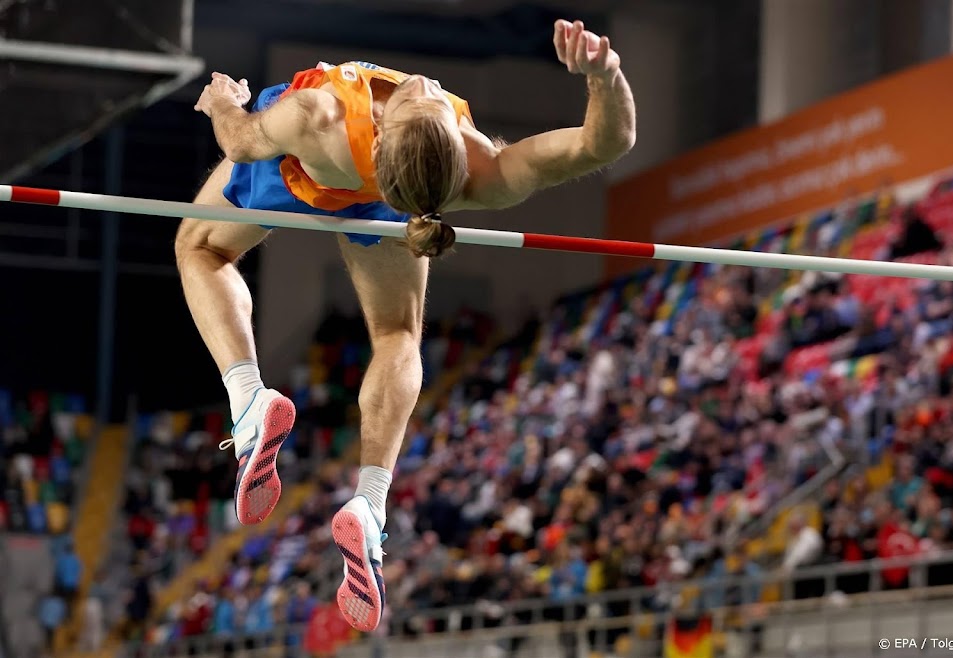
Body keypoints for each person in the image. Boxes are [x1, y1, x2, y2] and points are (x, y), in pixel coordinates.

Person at [176, 18, 635, 632]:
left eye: (423, 102)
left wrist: (224, 103)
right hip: (381, 202)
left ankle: (248, 399)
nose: (424, 84)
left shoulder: (318, 115)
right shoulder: (480, 173)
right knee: (396, 335)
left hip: (310, 166)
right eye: (431, 101)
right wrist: (605, 80)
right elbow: (603, 144)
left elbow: (239, 143)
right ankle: (369, 503)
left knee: (199, 249)